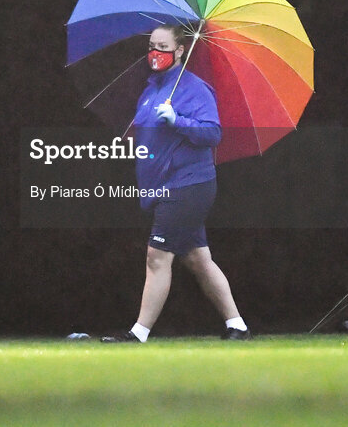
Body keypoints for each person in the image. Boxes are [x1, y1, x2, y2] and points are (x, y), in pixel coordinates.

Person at [102, 24, 250, 343]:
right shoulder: (151, 89)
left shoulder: (194, 89)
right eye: (152, 45)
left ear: (180, 50)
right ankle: (237, 326)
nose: (155, 52)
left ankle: (138, 333)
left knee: (157, 256)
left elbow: (213, 133)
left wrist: (178, 120)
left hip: (188, 185)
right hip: (163, 186)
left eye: (163, 46)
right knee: (198, 259)